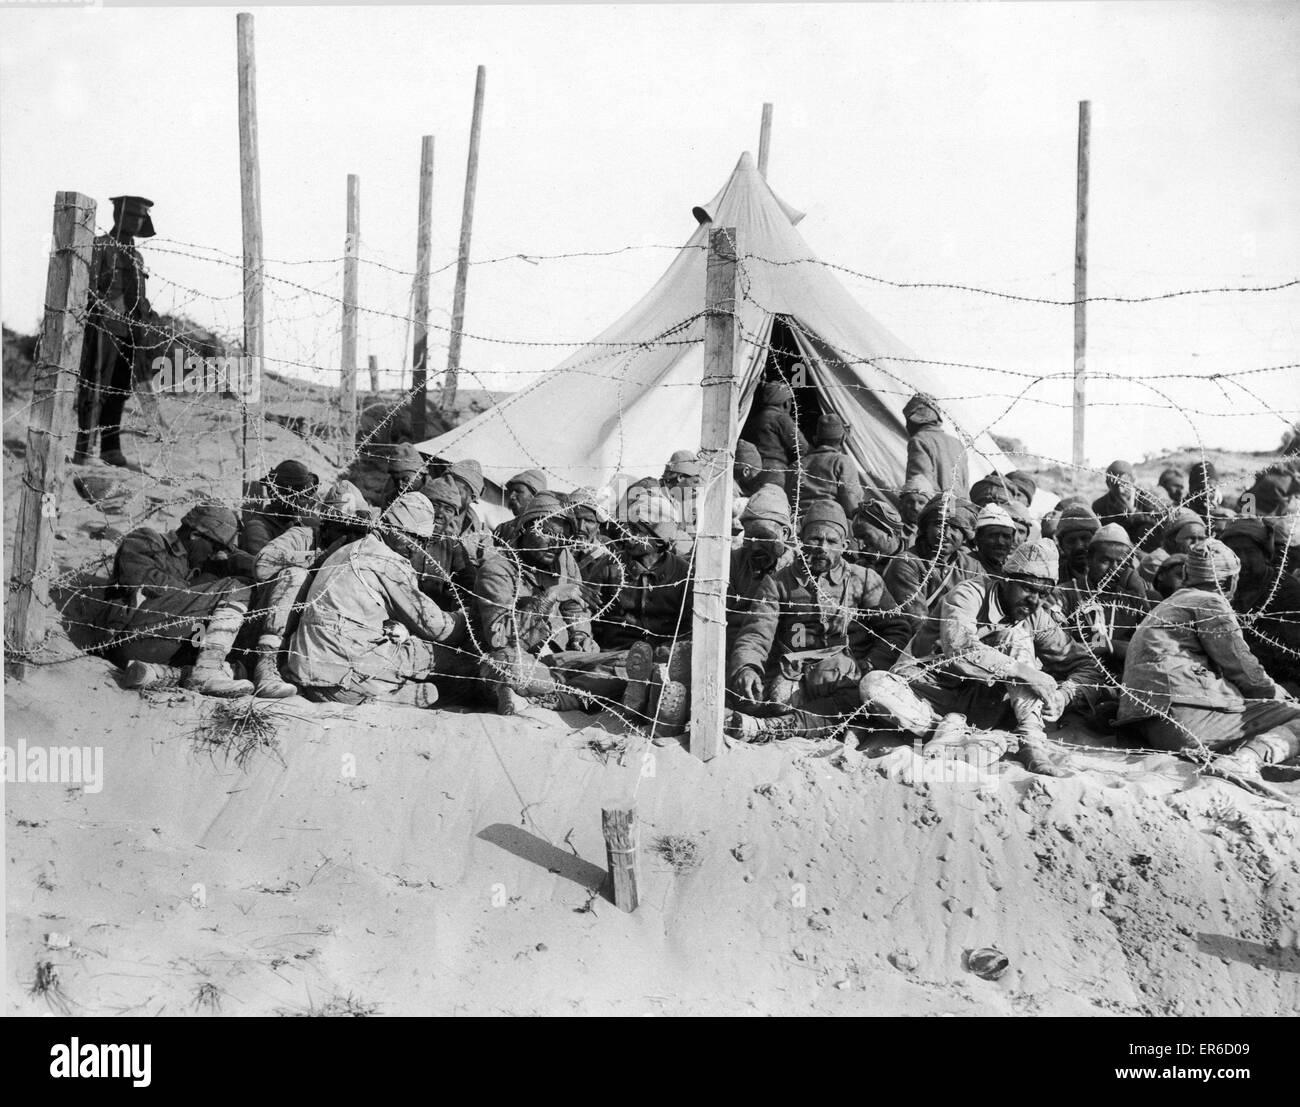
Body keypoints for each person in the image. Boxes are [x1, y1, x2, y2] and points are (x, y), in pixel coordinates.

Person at [861, 539, 1106, 777]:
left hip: (981, 700)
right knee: (873, 685)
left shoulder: (1036, 615)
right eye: (1028, 588)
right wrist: (1027, 673)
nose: (1034, 600)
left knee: (1014, 635)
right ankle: (953, 730)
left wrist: (1064, 696)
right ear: (1004, 579)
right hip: (926, 691)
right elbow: (960, 648)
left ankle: (1031, 742)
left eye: (1043, 593)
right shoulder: (969, 593)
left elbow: (1086, 664)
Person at [726, 501, 910, 742]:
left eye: (832, 541)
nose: (823, 547)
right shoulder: (779, 583)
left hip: (848, 676)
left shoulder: (864, 580)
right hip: (795, 674)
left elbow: (896, 630)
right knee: (755, 696)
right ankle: (827, 723)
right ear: (800, 540)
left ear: (844, 546)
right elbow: (757, 632)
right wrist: (747, 667)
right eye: (815, 539)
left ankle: (779, 727)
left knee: (865, 695)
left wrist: (868, 665)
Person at [1117, 539, 1300, 778]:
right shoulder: (1210, 603)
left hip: (1145, 722)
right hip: (1185, 721)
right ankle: (1245, 761)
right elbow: (1242, 667)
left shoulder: (1170, 603)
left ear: (1186, 572)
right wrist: (1281, 697)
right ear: (1227, 581)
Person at [284, 493, 468, 705]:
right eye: (411, 536)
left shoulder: (348, 550)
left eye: (422, 541)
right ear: (389, 528)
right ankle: (382, 698)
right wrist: (468, 618)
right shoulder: (386, 561)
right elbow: (435, 627)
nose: (415, 547)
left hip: (307, 671)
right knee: (444, 659)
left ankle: (389, 692)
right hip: (342, 679)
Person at [475, 492, 617, 716]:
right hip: (519, 659)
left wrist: (580, 636)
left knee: (628, 662)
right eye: (548, 534)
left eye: (563, 539)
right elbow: (499, 638)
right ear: (526, 528)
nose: (556, 544)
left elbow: (576, 605)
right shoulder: (497, 570)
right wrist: (547, 598)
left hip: (558, 659)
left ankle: (557, 694)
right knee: (506, 665)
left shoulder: (563, 560)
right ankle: (575, 692)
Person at [105, 501, 257, 698]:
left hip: (168, 646)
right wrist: (203, 587)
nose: (217, 556)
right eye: (216, 547)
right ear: (195, 534)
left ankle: (185, 673)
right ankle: (207, 668)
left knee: (239, 660)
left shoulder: (200, 565)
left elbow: (254, 565)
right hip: (131, 635)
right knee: (235, 586)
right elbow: (148, 585)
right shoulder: (147, 540)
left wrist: (232, 558)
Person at [251, 480, 372, 698]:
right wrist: (320, 559)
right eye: (342, 530)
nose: (349, 539)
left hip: (314, 642)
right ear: (325, 527)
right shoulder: (304, 536)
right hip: (263, 625)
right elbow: (262, 564)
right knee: (297, 575)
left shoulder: (361, 550)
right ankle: (266, 664)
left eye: (355, 531)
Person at [74, 195, 158, 468]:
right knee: (95, 389)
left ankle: (111, 450)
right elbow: (86, 289)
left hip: (131, 333)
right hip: (103, 329)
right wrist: (104, 309)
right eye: (132, 216)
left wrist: (148, 321)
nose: (137, 222)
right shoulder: (100, 247)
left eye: (140, 218)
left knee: (119, 392)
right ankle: (84, 451)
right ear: (119, 216)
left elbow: (141, 298)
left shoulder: (137, 256)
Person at [1057, 524, 1152, 727]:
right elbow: (1056, 645)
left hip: (1124, 681)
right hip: (1077, 675)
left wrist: (1112, 646)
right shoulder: (1066, 593)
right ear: (1089, 559)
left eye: (1121, 562)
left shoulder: (1136, 599)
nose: (1113, 569)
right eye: (1105, 560)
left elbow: (1152, 648)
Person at [884, 492, 983, 639]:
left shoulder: (971, 566)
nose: (946, 533)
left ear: (965, 536)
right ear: (926, 528)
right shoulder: (907, 563)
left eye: (955, 528)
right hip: (916, 644)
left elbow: (983, 614)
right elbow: (917, 622)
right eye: (939, 524)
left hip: (963, 640)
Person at [1222, 518, 1300, 691]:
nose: (1241, 559)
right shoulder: (1225, 587)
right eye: (1234, 552)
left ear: (1265, 554)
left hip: (1281, 681)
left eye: (1249, 551)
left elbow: (1289, 651)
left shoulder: (1287, 590)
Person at [727, 484, 794, 640]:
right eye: (750, 537)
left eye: (763, 537)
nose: (755, 546)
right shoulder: (733, 563)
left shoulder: (799, 570)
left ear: (784, 533)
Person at [239, 459, 320, 557]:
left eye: (309, 494)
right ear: (277, 495)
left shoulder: (308, 522)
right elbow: (266, 566)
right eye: (302, 495)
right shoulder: (257, 529)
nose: (312, 500)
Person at [743, 380, 809, 495]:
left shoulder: (754, 420)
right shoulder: (781, 419)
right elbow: (802, 448)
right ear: (786, 403)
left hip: (753, 471)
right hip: (776, 473)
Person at [797, 413, 863, 519]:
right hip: (829, 521)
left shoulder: (796, 465)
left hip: (798, 524)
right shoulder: (842, 461)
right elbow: (850, 502)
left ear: (815, 439)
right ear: (843, 439)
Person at [903, 393, 968, 496]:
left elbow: (919, 486)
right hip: (960, 507)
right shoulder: (957, 443)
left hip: (937, 507)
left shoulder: (920, 440)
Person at [1091, 460, 1164, 551]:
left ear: (1133, 481)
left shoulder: (1146, 499)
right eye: (1115, 486)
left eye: (1124, 484)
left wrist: (1134, 513)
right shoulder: (1099, 505)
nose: (1120, 491)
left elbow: (1160, 524)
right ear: (1108, 484)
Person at [849, 499, 907, 577]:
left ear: (889, 534)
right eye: (857, 539)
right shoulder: (861, 565)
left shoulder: (910, 567)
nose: (860, 546)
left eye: (866, 537)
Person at [493, 469, 549, 546]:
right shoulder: (502, 530)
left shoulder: (549, 529)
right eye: (511, 491)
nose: (511, 496)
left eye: (518, 491)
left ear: (535, 496)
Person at [973, 503, 1018, 577]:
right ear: (977, 538)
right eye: (993, 535)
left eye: (1006, 536)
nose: (1000, 542)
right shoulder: (964, 565)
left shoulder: (1008, 573)